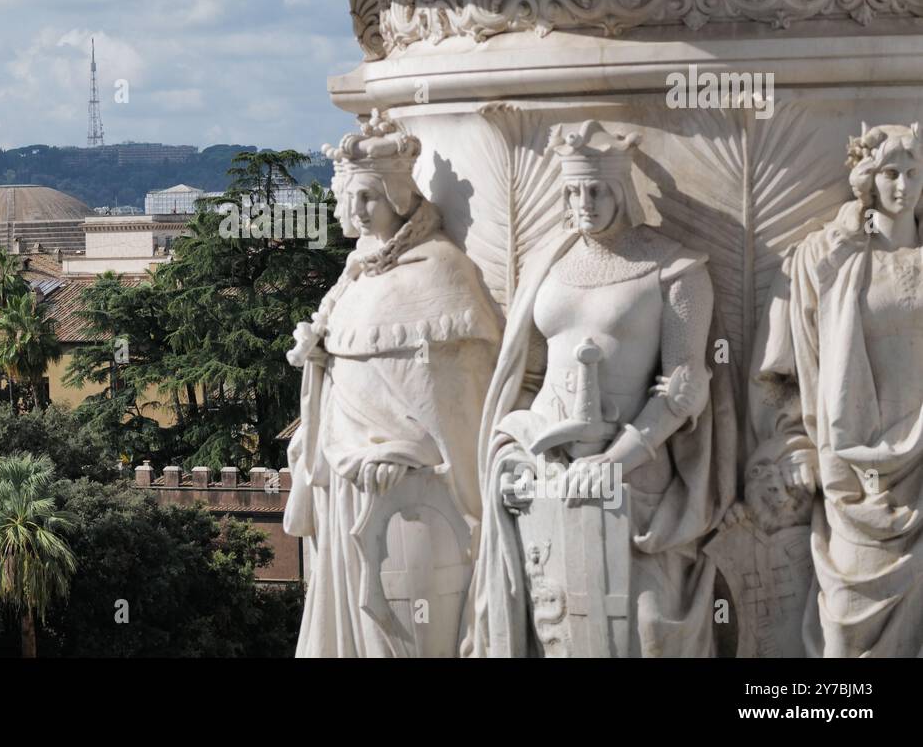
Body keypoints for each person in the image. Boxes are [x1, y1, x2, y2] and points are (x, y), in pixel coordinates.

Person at [462, 120, 735, 657]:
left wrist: (615, 461)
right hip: (548, 473)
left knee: (644, 630)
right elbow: (527, 375)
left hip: (638, 475)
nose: (583, 202)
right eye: (572, 191)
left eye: (596, 190)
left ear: (621, 191)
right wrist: (517, 455)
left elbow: (683, 390)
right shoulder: (549, 265)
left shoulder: (674, 269)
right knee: (556, 622)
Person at [285, 110, 500, 657]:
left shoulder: (443, 271)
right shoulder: (358, 269)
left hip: (413, 486)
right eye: (348, 198)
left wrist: (410, 448)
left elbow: (452, 396)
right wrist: (316, 352)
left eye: (370, 198)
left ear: (401, 196)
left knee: (408, 620)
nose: (357, 212)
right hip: (348, 475)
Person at [753, 122, 923, 656]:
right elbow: (779, 379)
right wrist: (790, 448)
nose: (902, 185)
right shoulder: (825, 259)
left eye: (913, 173)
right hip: (855, 468)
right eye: (891, 173)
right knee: (847, 621)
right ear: (869, 180)